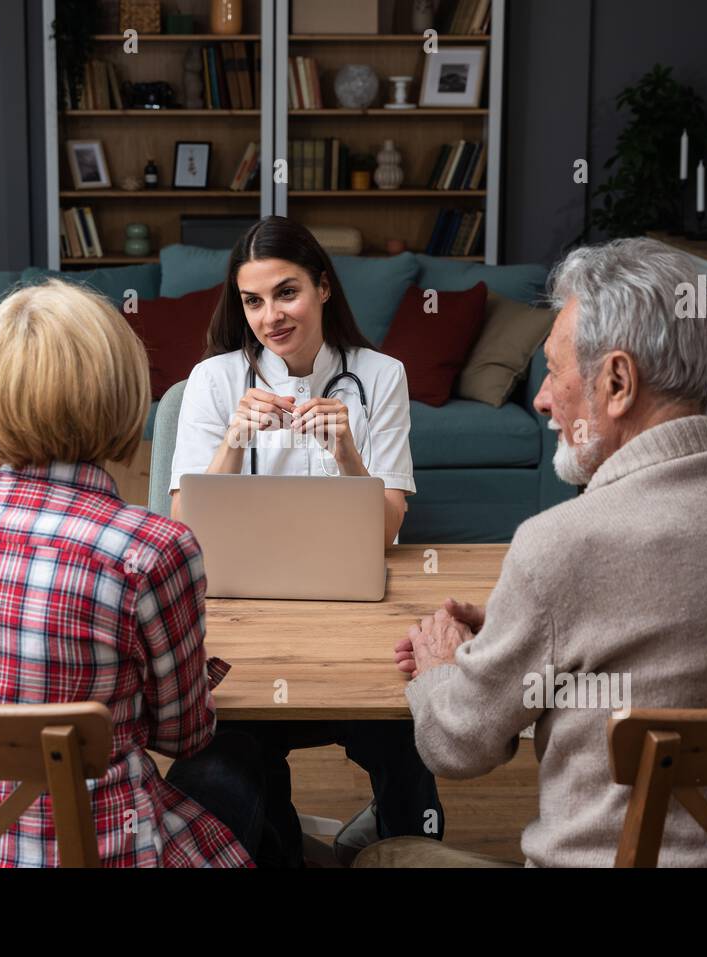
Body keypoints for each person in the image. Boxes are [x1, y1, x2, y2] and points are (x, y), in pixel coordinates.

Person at [371, 237, 707, 867]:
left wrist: (442, 665)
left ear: (618, 381)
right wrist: (525, 634)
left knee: (386, 857)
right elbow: (679, 645)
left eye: (553, 370)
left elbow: (457, 745)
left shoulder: (562, 545)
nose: (542, 398)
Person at [0, 278, 257, 867]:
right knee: (239, 760)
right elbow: (183, 738)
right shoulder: (153, 549)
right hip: (97, 854)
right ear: (122, 395)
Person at [167, 215, 442, 866]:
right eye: (253, 300)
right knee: (231, 744)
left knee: (405, 736)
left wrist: (347, 451)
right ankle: (278, 849)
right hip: (248, 623)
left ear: (323, 286)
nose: (270, 317)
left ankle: (407, 846)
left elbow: (383, 531)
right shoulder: (213, 380)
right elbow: (186, 530)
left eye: (286, 292)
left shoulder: (380, 376)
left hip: (351, 621)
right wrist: (233, 441)